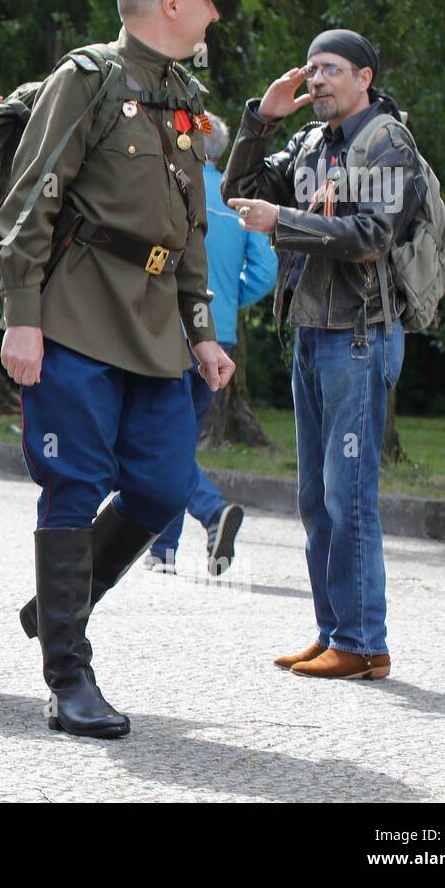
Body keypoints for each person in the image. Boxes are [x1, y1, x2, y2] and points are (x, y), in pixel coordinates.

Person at [0, 0, 237, 738]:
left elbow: (191, 228)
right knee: (73, 486)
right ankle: (69, 674)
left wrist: (201, 328)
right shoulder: (88, 79)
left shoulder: (182, 94)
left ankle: (56, 607)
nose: (215, 7)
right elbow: (30, 201)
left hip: (155, 328)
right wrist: (21, 315)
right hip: (76, 316)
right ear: (171, 2)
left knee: (164, 488)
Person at [222, 28, 425, 681]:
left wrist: (281, 222)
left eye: (331, 69)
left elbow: (371, 235)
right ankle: (334, 631)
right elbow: (241, 189)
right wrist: (262, 119)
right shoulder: (312, 141)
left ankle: (365, 643)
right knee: (315, 496)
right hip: (312, 334)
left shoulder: (386, 141)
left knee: (348, 492)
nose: (317, 80)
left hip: (360, 338)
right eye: (310, 70)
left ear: (365, 77)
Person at [146, 111, 277, 575]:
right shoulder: (235, 200)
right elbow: (265, 269)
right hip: (219, 334)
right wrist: (228, 301)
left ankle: (208, 511)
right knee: (177, 440)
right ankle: (163, 549)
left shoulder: (168, 188)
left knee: (156, 440)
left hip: (170, 329)